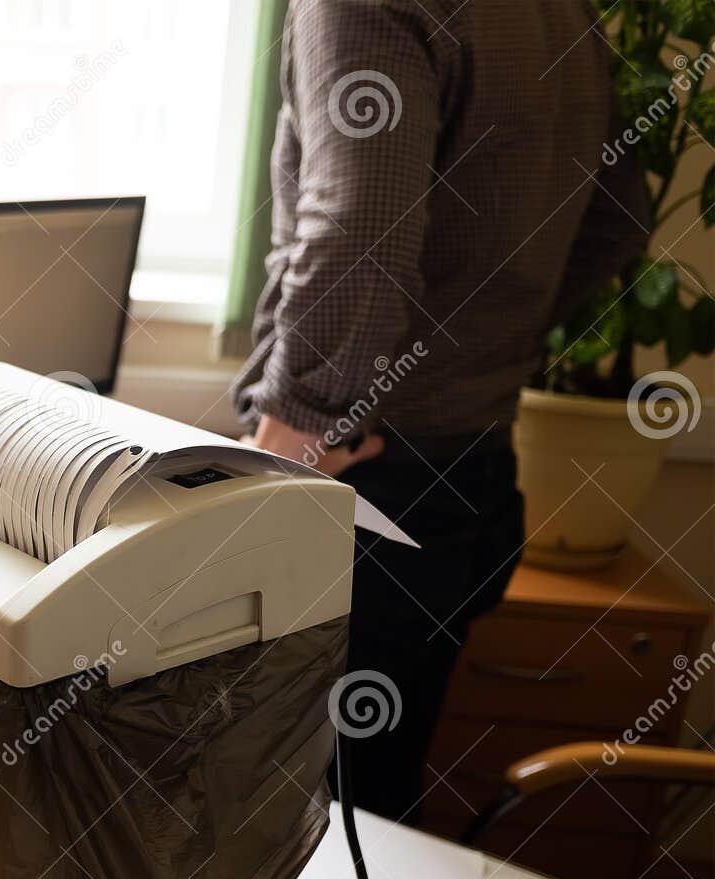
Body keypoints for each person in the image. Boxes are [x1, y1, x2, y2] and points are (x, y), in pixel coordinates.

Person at [230, 0, 648, 821]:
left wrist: (295, 433)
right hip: (473, 475)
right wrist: (478, 350)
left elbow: (359, 225)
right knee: (370, 805)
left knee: (287, 830)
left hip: (355, 486)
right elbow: (616, 217)